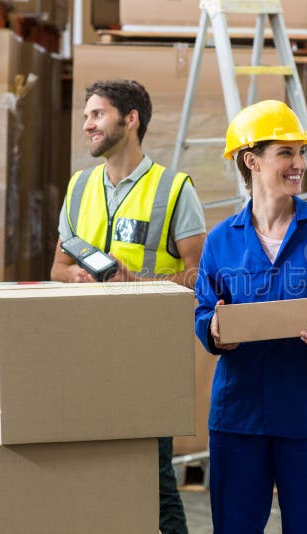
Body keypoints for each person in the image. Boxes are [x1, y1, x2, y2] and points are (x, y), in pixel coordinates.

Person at [193, 100, 307, 534]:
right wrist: (214, 329)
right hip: (240, 418)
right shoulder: (222, 241)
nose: (298, 164)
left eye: (301, 153)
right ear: (251, 160)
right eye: (286, 153)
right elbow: (204, 310)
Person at [50, 79, 205, 534]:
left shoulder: (174, 190)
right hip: (85, 354)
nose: (87, 125)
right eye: (85, 117)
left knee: (154, 480)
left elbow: (201, 277)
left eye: (96, 114)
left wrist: (135, 280)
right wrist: (75, 274)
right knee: (90, 476)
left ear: (130, 119)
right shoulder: (78, 187)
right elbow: (57, 266)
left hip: (147, 357)